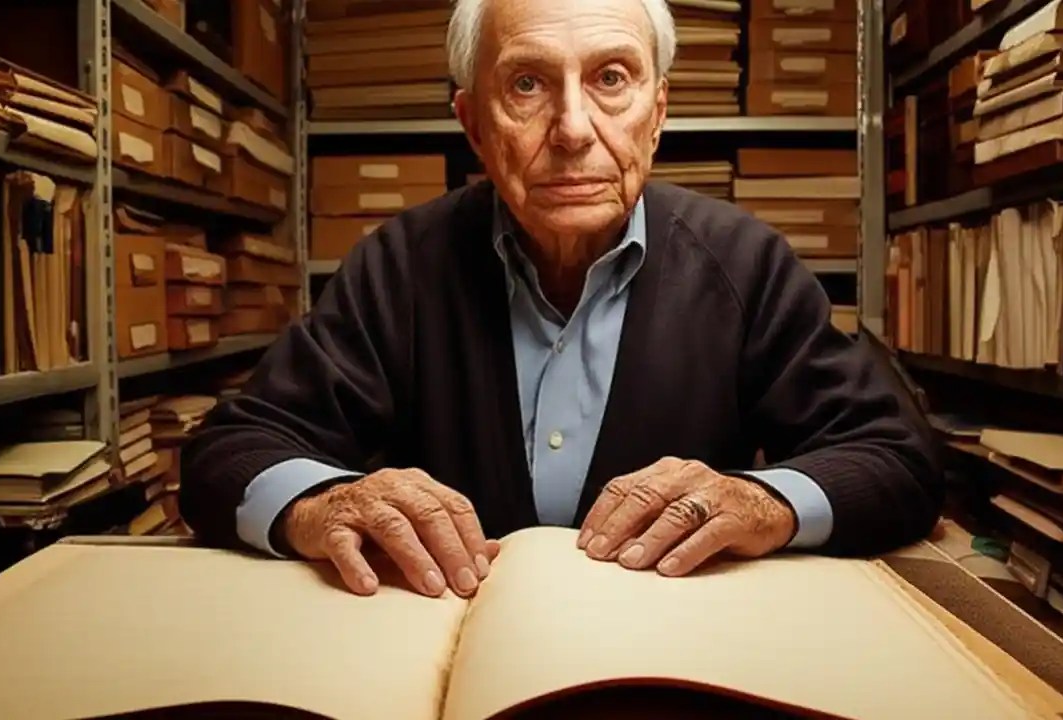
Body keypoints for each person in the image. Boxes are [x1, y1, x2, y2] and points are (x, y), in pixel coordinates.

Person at [180, 0, 943, 599]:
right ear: (473, 124)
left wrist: (757, 501)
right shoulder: (400, 265)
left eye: (611, 78)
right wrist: (324, 505)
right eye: (526, 84)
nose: (574, 129)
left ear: (658, 113)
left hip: (675, 661)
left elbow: (898, 463)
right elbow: (225, 456)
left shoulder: (746, 264)